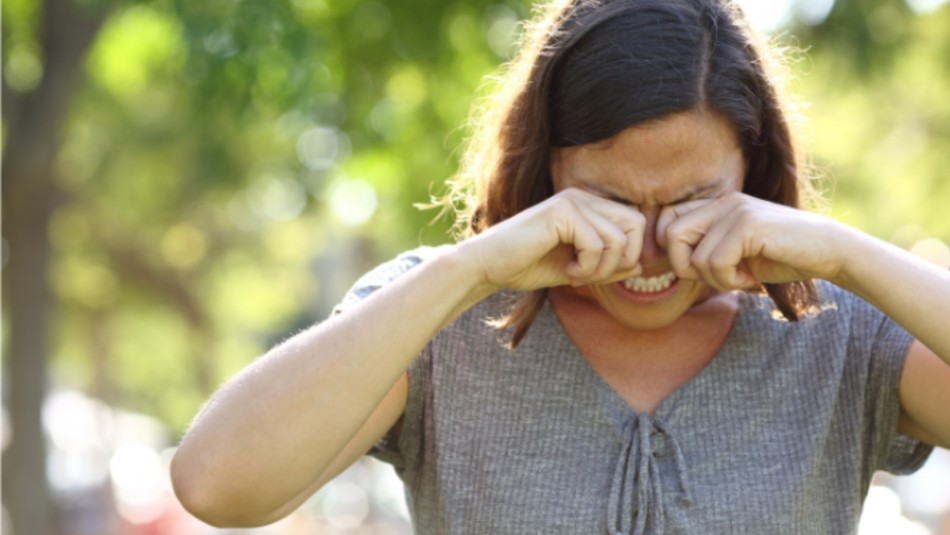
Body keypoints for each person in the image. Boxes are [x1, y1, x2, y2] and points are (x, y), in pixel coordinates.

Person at [170, 0, 950, 533]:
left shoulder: (840, 330)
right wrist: (472, 269)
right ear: (548, 173)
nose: (649, 249)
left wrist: (847, 252)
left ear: (754, 168)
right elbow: (216, 486)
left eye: (691, 199)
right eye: (609, 200)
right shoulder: (439, 323)